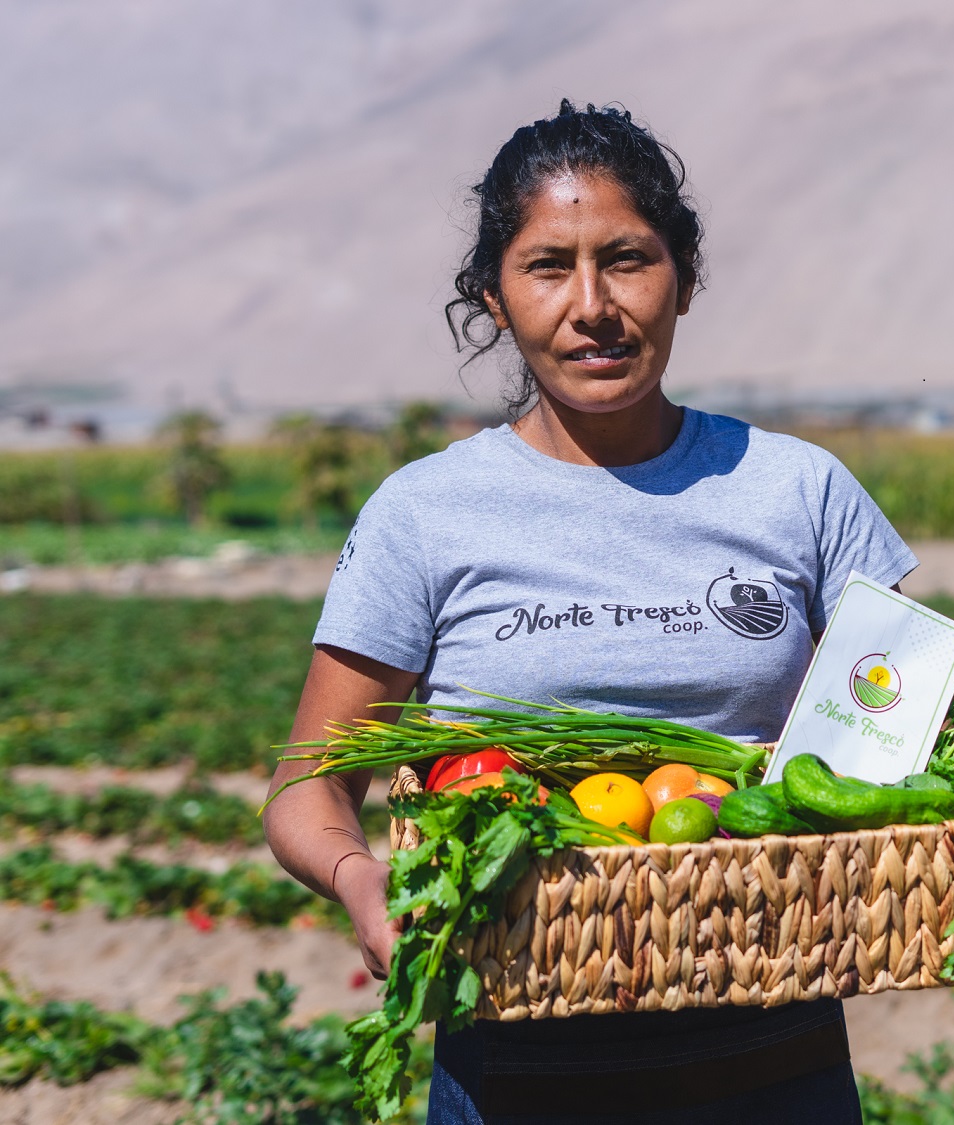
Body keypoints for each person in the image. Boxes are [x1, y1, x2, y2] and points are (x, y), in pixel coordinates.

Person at [263, 100, 915, 1124]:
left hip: (776, 1066)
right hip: (515, 1081)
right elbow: (305, 787)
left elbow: (894, 725)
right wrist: (357, 879)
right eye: (546, 266)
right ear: (494, 294)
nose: (592, 305)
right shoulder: (425, 512)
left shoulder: (798, 490)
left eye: (626, 259)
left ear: (684, 280)